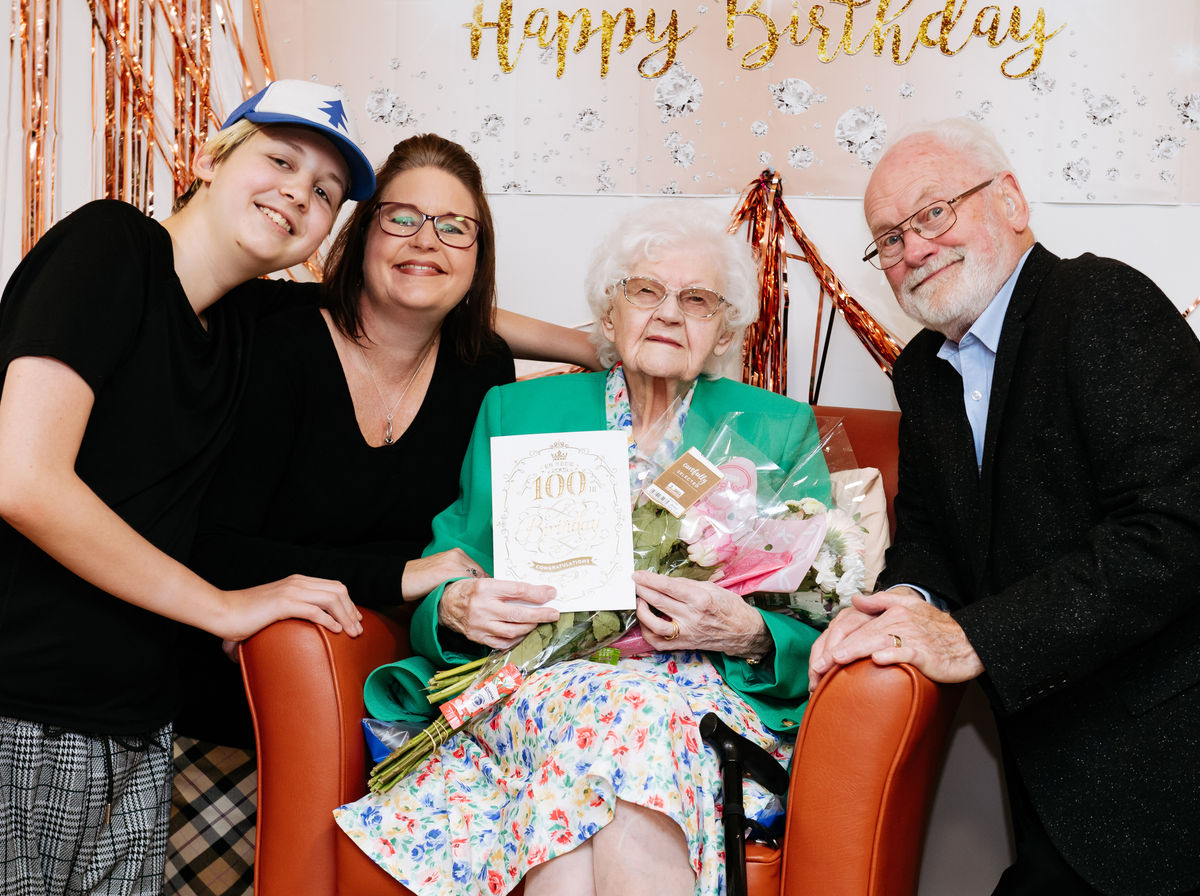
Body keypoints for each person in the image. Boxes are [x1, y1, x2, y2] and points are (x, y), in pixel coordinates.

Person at [333, 201, 831, 896]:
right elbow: (449, 566)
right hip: (539, 682)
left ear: (723, 330)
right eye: (645, 290)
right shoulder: (517, 412)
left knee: (624, 718)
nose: (669, 313)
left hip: (703, 696)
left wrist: (747, 631)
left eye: (697, 299)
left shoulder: (777, 428)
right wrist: (457, 607)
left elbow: (824, 612)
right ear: (609, 312)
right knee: (609, 712)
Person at [169, 133, 598, 895]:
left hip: (394, 676)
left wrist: (600, 347)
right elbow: (212, 545)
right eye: (402, 217)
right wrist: (398, 575)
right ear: (362, 233)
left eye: (454, 227)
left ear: (477, 255)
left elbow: (467, 540)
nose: (426, 241)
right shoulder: (280, 340)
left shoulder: (481, 369)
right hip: (237, 677)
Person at [808, 117, 1200, 896]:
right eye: (890, 238)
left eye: (933, 213)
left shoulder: (1101, 302)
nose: (914, 249)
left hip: (1167, 775)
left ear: (1012, 202)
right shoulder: (924, 371)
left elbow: (1174, 530)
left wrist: (971, 636)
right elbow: (929, 537)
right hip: (1056, 780)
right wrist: (896, 604)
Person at [0, 79, 373, 896]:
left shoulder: (242, 326)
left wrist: (602, 339)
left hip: (137, 721)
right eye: (281, 160)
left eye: (325, 192)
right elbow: (25, 481)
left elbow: (405, 303)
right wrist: (224, 606)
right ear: (209, 157)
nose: (298, 193)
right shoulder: (111, 247)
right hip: (24, 704)